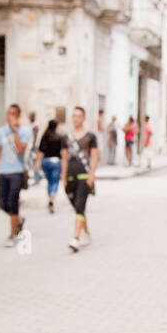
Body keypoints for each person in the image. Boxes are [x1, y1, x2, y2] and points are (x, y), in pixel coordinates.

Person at [0, 103, 31, 247]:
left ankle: (13, 234)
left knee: (13, 202)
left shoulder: (25, 131)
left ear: (18, 116)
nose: (10, 116)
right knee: (3, 204)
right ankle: (18, 220)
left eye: (13, 114)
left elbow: (20, 149)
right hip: (4, 172)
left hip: (17, 172)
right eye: (8, 113)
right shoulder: (1, 131)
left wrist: (15, 131)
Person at [61, 106, 99, 251]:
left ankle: (75, 238)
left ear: (83, 118)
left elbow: (95, 156)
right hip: (71, 177)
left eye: (79, 116)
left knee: (79, 206)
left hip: (84, 176)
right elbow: (64, 158)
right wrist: (63, 177)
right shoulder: (66, 138)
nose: (76, 118)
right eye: (74, 115)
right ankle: (86, 233)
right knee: (78, 208)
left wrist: (92, 175)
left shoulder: (90, 137)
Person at [36, 118, 64, 213]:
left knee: (49, 181)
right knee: (55, 181)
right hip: (56, 162)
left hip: (46, 161)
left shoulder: (45, 136)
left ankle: (50, 199)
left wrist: (38, 163)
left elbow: (41, 151)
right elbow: (63, 152)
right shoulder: (59, 137)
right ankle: (52, 199)